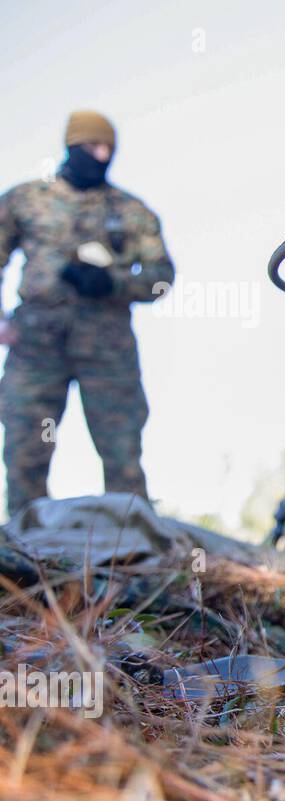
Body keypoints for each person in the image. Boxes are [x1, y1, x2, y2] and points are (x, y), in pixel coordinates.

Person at [0, 110, 174, 516]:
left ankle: (134, 551)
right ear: (70, 145)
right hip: (36, 342)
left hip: (107, 342)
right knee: (25, 447)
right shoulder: (26, 200)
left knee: (123, 454)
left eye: (107, 148)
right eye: (91, 146)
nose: (100, 154)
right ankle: (26, 558)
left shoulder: (131, 211)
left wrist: (113, 283)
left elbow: (162, 277)